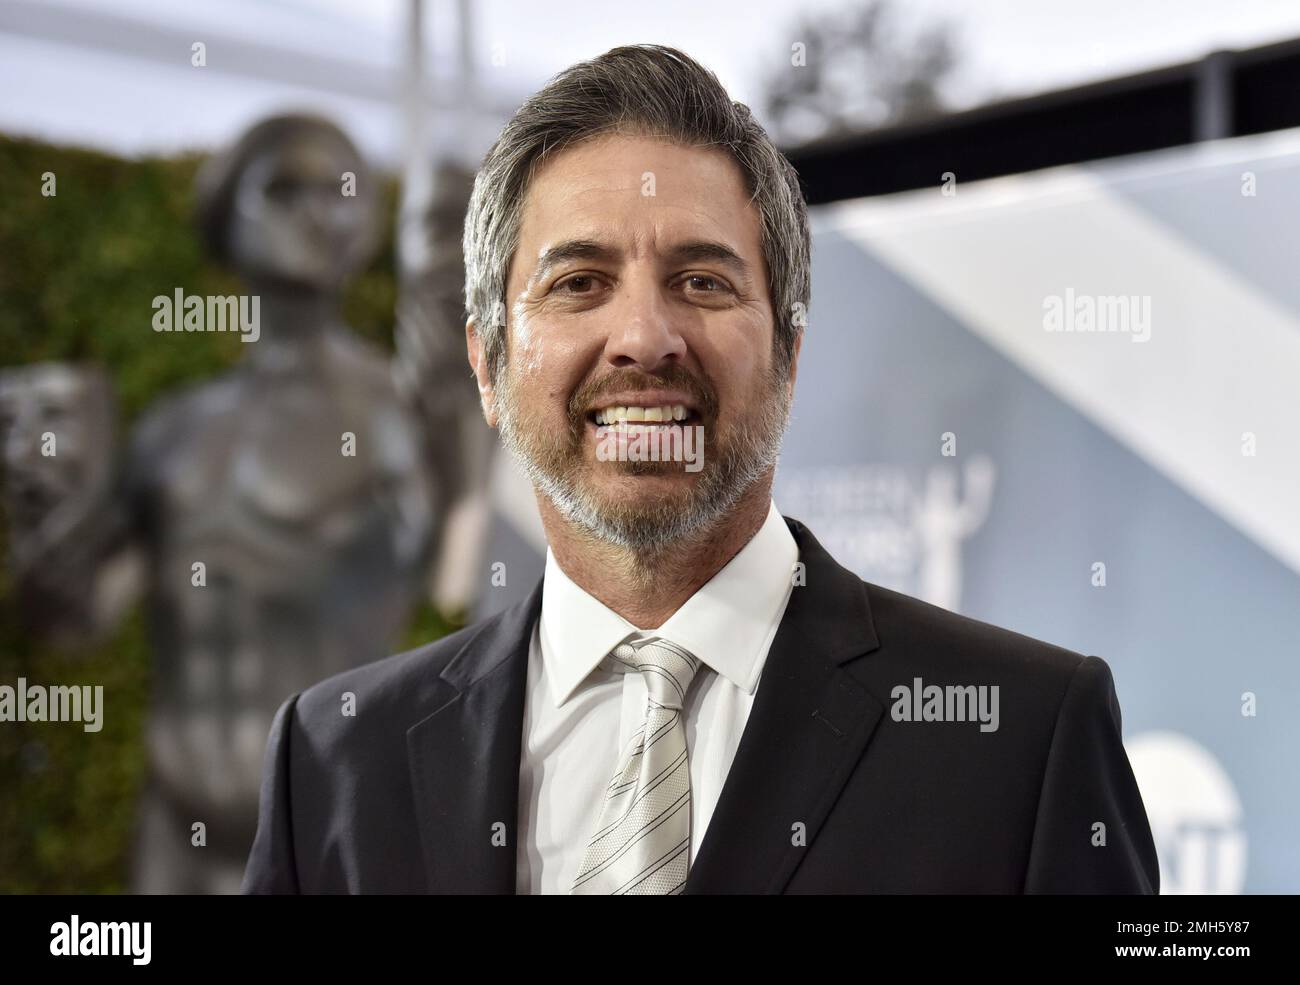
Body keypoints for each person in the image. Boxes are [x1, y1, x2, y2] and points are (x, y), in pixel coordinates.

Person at [241, 44, 1158, 895]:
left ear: (790, 355)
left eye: (704, 282)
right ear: (487, 363)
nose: (644, 338)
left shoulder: (1025, 740)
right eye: (578, 283)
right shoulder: (332, 764)